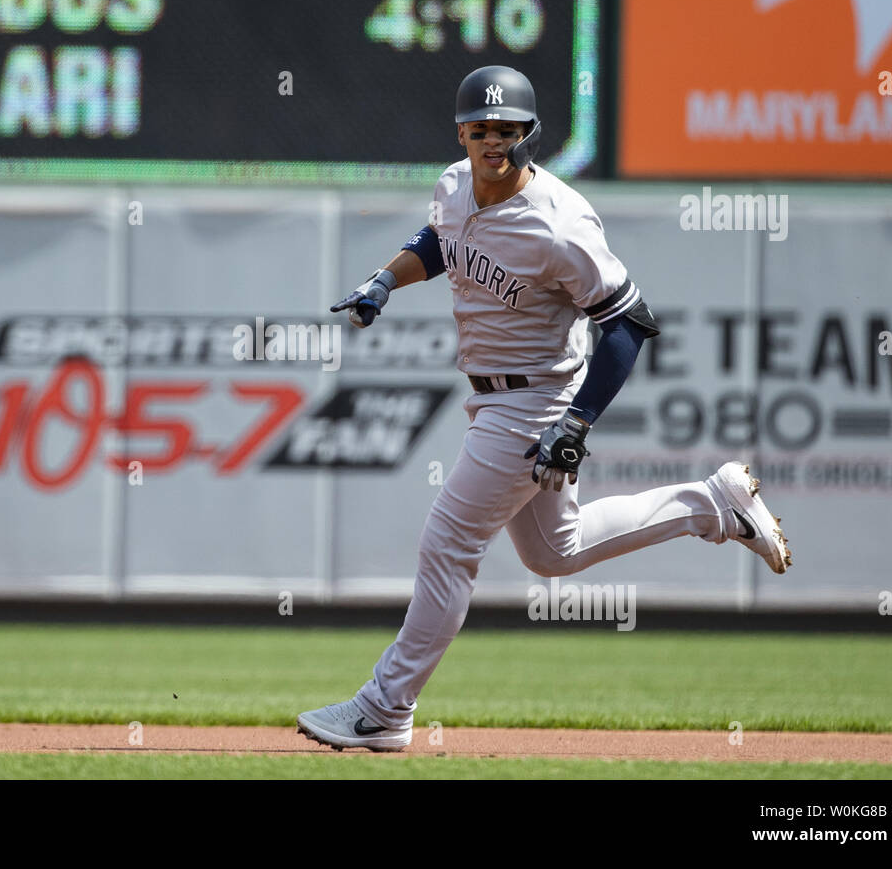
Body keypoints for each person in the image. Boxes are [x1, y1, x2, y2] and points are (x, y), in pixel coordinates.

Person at [295, 65, 790, 752]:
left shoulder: (558, 224)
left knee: (448, 543)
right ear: (462, 133)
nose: (492, 142)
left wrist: (576, 424)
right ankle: (712, 504)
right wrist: (384, 280)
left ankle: (385, 708)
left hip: (536, 401)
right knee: (556, 553)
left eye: (506, 130)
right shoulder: (451, 183)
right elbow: (441, 242)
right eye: (480, 130)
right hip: (493, 395)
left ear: (529, 134)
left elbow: (629, 323)